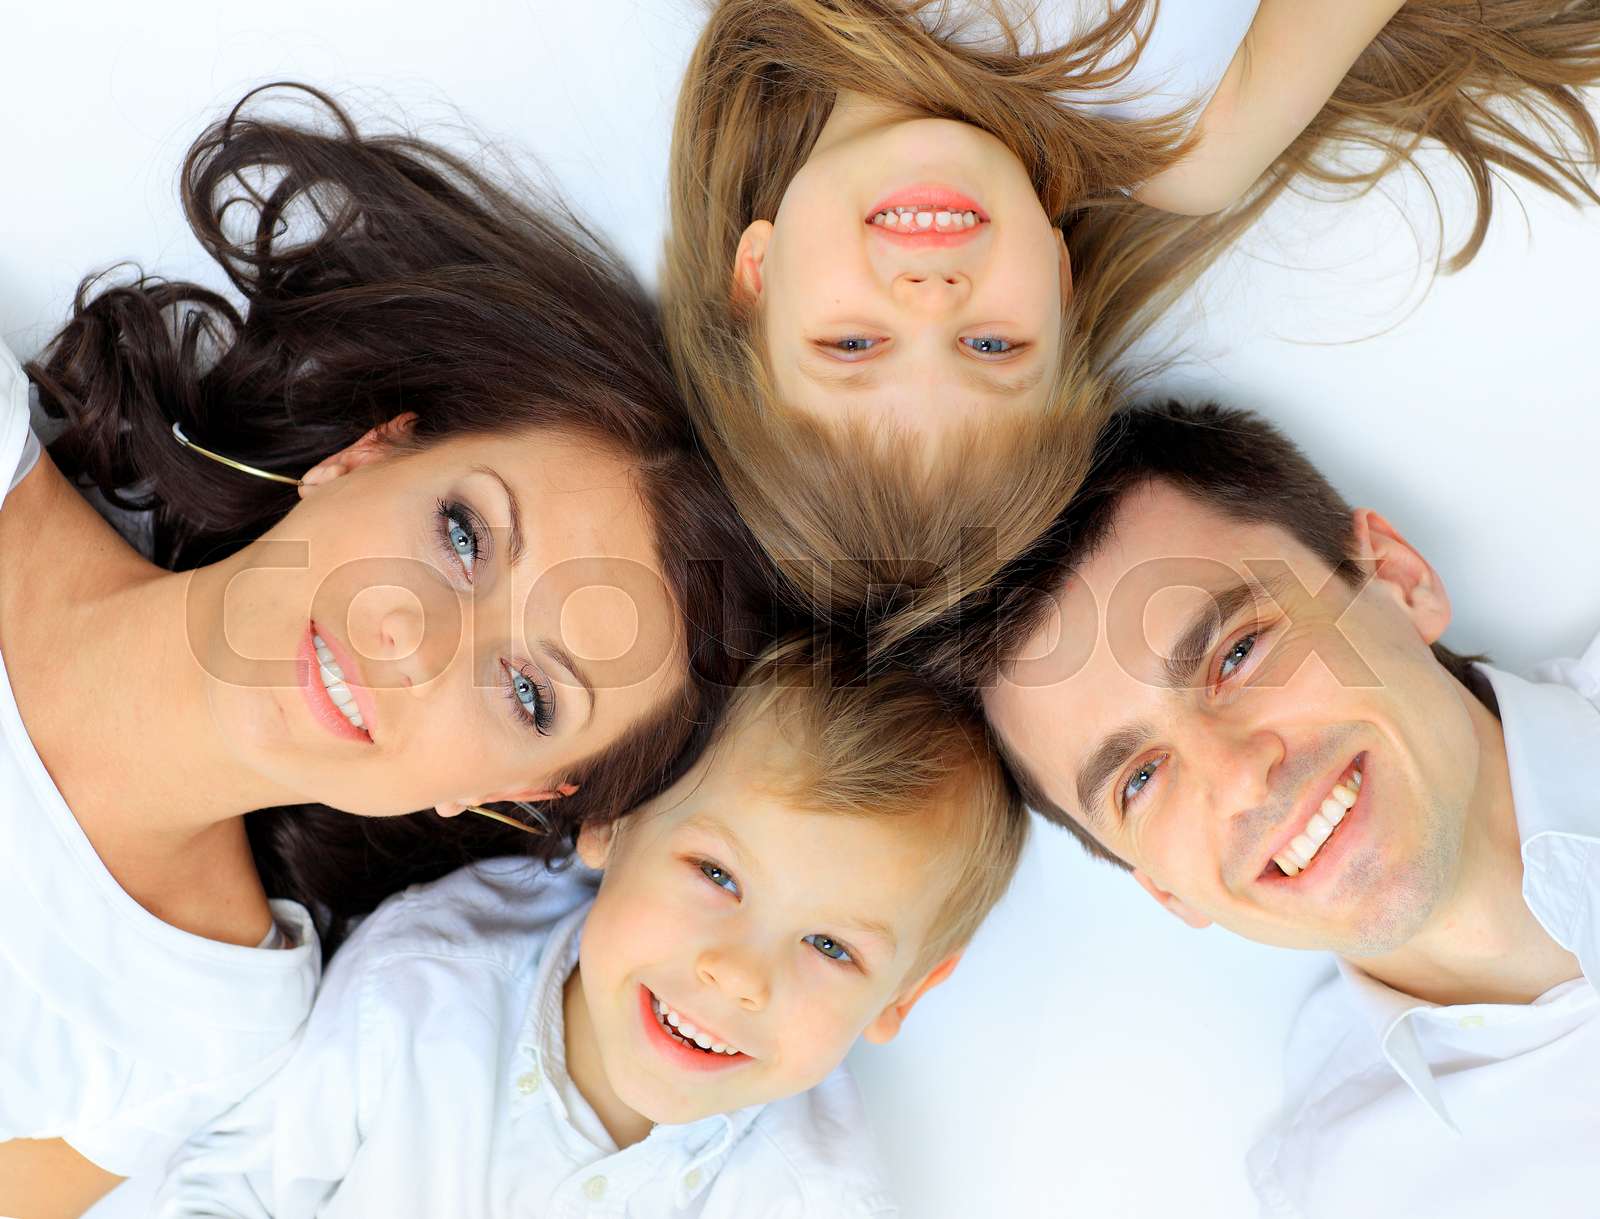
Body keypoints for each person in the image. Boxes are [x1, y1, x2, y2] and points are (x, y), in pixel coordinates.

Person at [0, 86, 769, 1216]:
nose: (416, 641)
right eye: (464, 535)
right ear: (367, 455)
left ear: (509, 789)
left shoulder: (215, 1025)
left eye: (525, 689)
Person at [661, 0, 1600, 638]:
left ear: (757, 275)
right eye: (993, 347)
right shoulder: (1191, 142)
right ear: (1061, 287)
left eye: (853, 345)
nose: (932, 300)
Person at [968, 401, 1600, 1217]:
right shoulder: (1343, 1188)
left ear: (1399, 582)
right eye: (1140, 778)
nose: (1240, 780)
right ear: (1164, 888)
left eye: (1238, 652)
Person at [151, 642, 1029, 1217]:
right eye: (717, 875)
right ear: (614, 821)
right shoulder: (424, 989)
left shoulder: (812, 1195)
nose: (737, 974)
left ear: (903, 995)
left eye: (832, 947)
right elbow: (229, 1188)